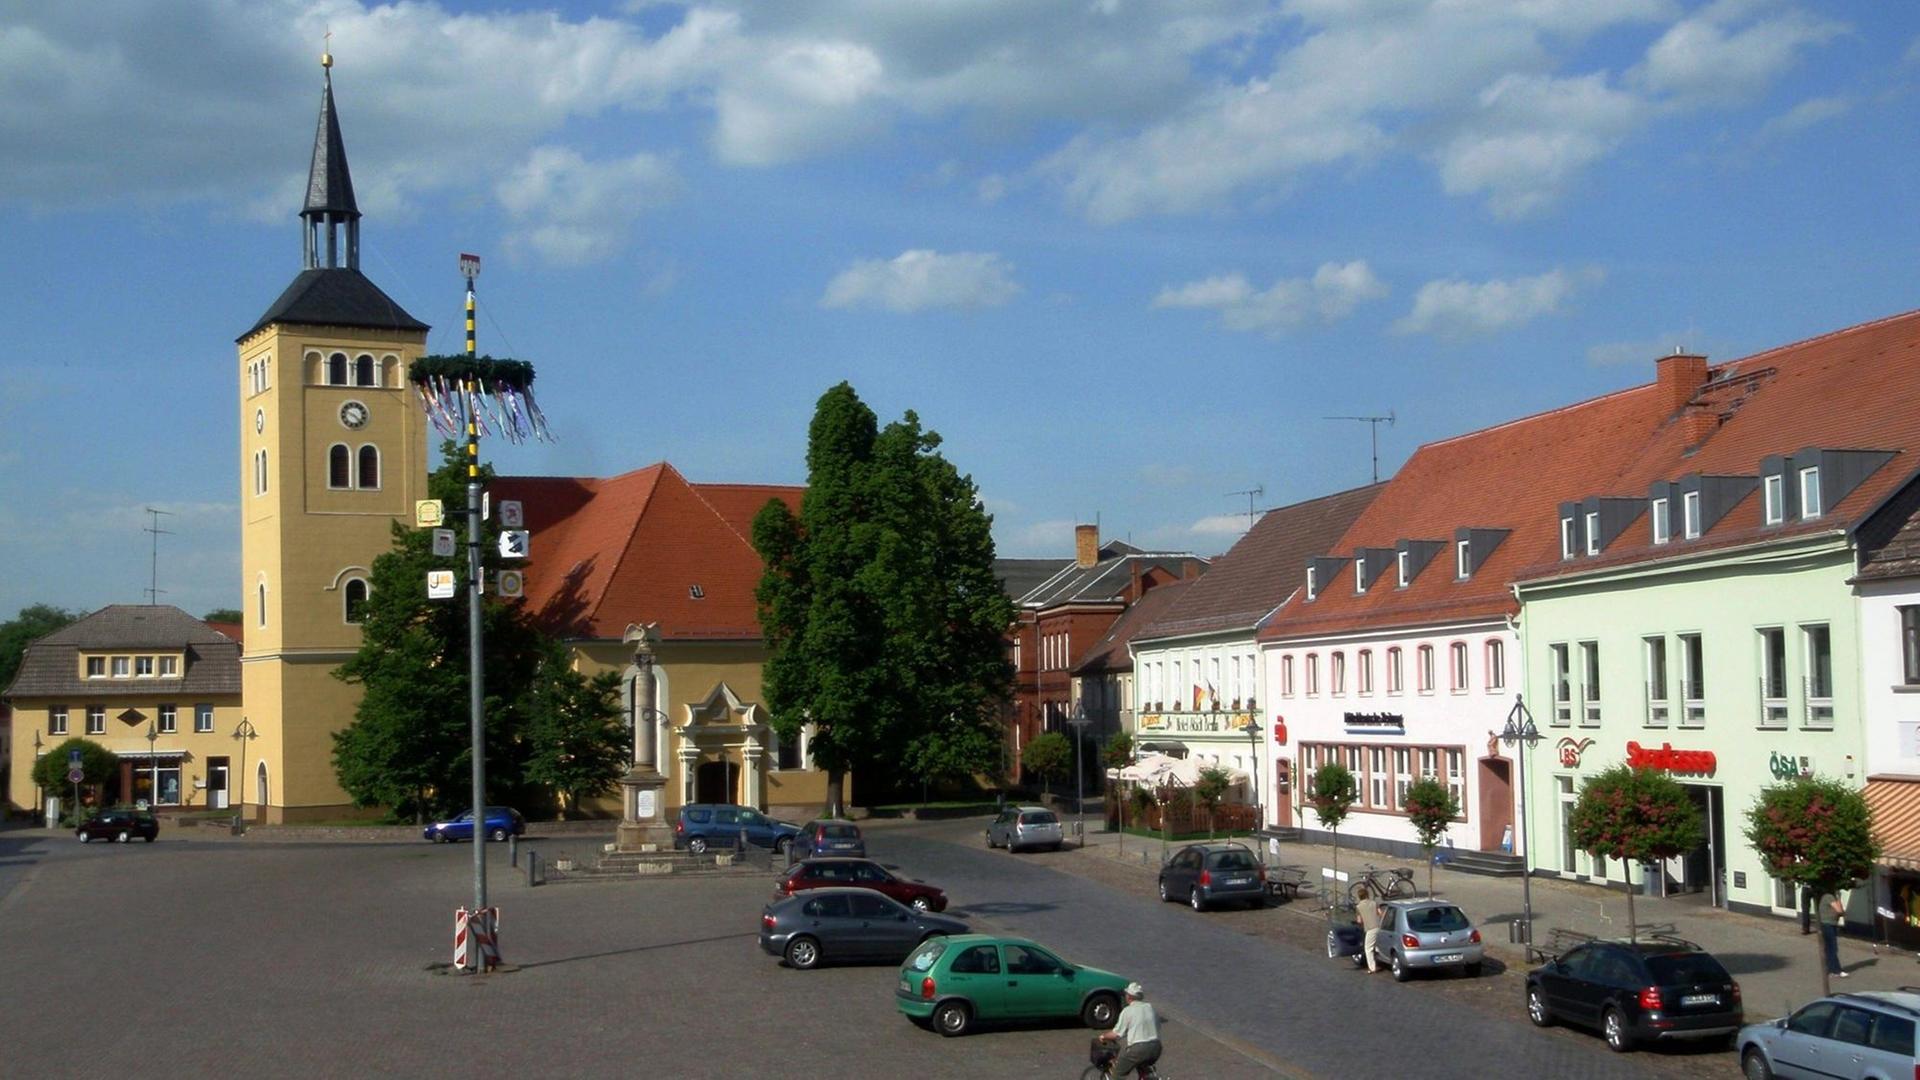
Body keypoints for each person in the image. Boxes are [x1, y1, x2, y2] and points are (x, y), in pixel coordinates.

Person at [1098, 981, 1161, 1077]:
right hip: (1156, 1047)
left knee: (1118, 1073)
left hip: (1139, 1050)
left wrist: (1103, 1036)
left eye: (1126, 994)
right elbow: (1157, 1026)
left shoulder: (1128, 1011)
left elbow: (1117, 1034)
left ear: (1129, 997)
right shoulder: (1150, 1008)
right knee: (1143, 1069)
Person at [1818, 888, 1847, 978]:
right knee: (1832, 948)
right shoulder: (1829, 897)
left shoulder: (1828, 897)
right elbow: (1839, 910)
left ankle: (1831, 969)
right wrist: (1838, 899)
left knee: (1830, 948)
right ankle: (1836, 970)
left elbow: (1841, 912)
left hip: (1831, 924)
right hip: (1828, 925)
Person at [1357, 886, 1386, 973]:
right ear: (1367, 895)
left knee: (1368, 948)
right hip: (1379, 927)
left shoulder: (1358, 907)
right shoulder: (1374, 903)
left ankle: (1372, 968)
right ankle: (1381, 956)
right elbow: (1382, 914)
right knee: (1377, 945)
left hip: (1370, 929)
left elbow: (1359, 920)